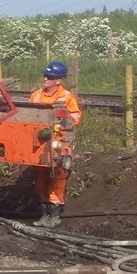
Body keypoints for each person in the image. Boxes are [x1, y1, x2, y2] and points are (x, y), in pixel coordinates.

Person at [30, 60, 82, 228]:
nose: (45, 78)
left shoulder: (66, 97)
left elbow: (75, 117)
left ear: (58, 80)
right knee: (40, 178)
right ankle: (45, 212)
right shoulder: (36, 94)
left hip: (59, 142)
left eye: (49, 76)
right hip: (40, 143)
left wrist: (60, 123)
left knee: (57, 178)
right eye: (45, 75)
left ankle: (54, 214)